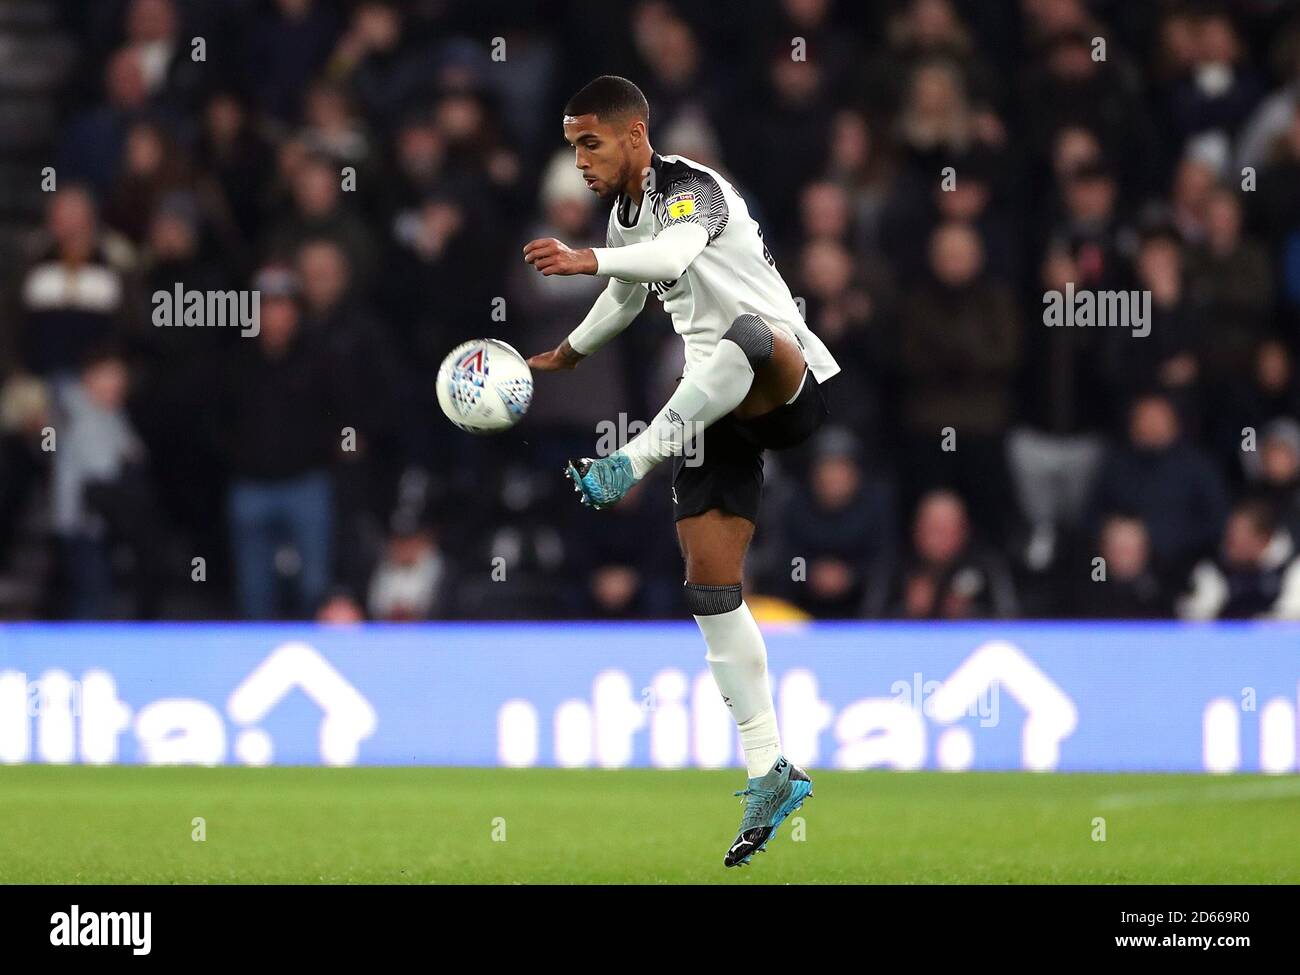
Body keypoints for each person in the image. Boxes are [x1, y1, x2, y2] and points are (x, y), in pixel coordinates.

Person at [523, 76, 838, 868]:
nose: (581, 161)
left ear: (635, 136)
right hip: (708, 409)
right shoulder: (625, 214)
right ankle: (769, 767)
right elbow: (631, 293)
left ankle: (631, 457)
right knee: (710, 585)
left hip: (778, 377)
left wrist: (587, 257)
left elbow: (671, 253)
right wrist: (570, 351)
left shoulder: (693, 189)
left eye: (590, 143)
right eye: (572, 146)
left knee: (743, 334)